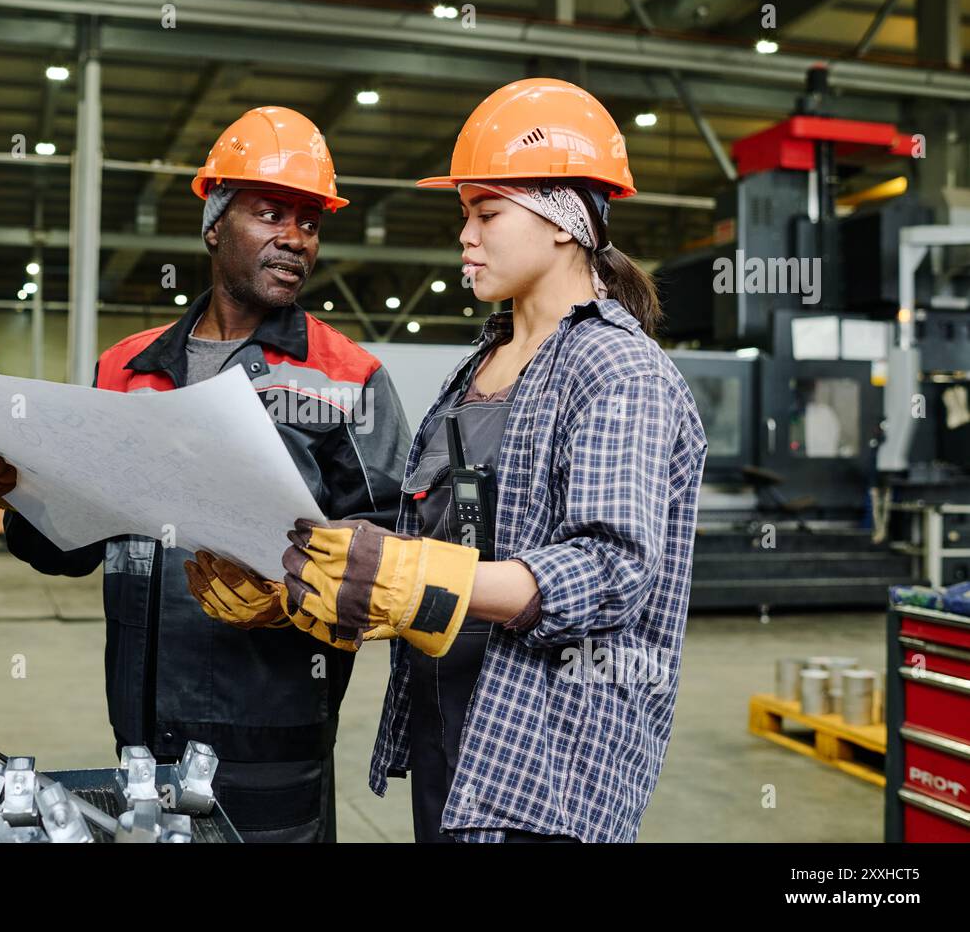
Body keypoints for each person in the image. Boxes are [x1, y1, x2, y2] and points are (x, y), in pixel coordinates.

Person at [211, 78, 708, 842]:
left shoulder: (617, 370)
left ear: (563, 222)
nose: (465, 237)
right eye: (464, 216)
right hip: (456, 735)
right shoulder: (474, 370)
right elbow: (437, 549)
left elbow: (612, 571)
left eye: (486, 213)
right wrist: (310, 588)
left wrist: (421, 577)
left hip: (550, 761)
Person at [0, 106, 410, 842]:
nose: (296, 237)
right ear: (214, 224)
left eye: (311, 222)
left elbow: (393, 565)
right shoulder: (126, 368)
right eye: (271, 212)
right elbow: (68, 549)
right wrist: (17, 489)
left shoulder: (348, 379)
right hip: (137, 736)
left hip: (273, 745)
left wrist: (291, 598)